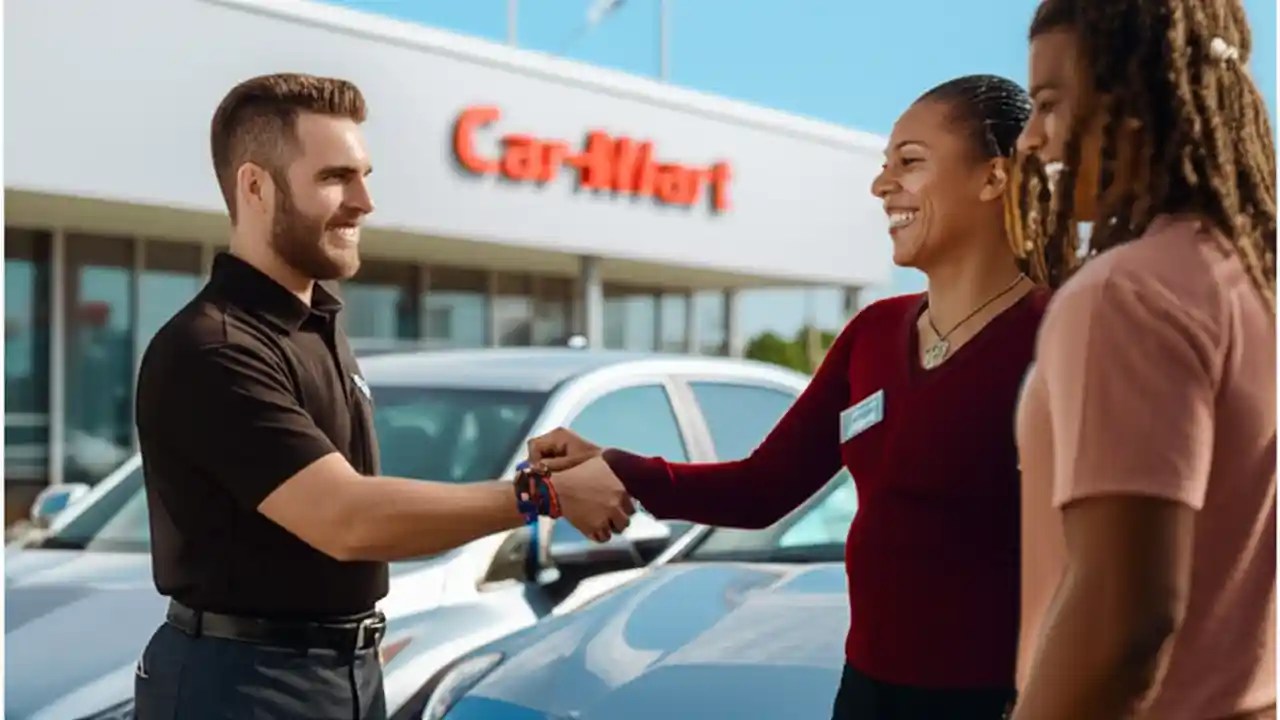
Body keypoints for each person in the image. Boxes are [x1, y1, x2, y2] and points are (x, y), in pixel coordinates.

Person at [527, 74, 1049, 720]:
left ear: (993, 178)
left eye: (910, 163)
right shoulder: (872, 335)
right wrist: (615, 463)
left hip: (999, 705)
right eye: (884, 167)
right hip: (864, 699)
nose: (882, 186)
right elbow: (761, 487)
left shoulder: (1059, 334)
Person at [131, 73, 634, 720]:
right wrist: (541, 496)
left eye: (365, 174)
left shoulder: (318, 327)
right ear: (254, 187)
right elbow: (349, 519)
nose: (364, 201)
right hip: (243, 687)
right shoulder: (214, 349)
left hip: (341, 673)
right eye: (335, 177)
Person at [1007, 0, 1276, 718]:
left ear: (1133, 98)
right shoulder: (1250, 284)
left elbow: (1124, 624)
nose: (1031, 139)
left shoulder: (1124, 295)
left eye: (1049, 104)